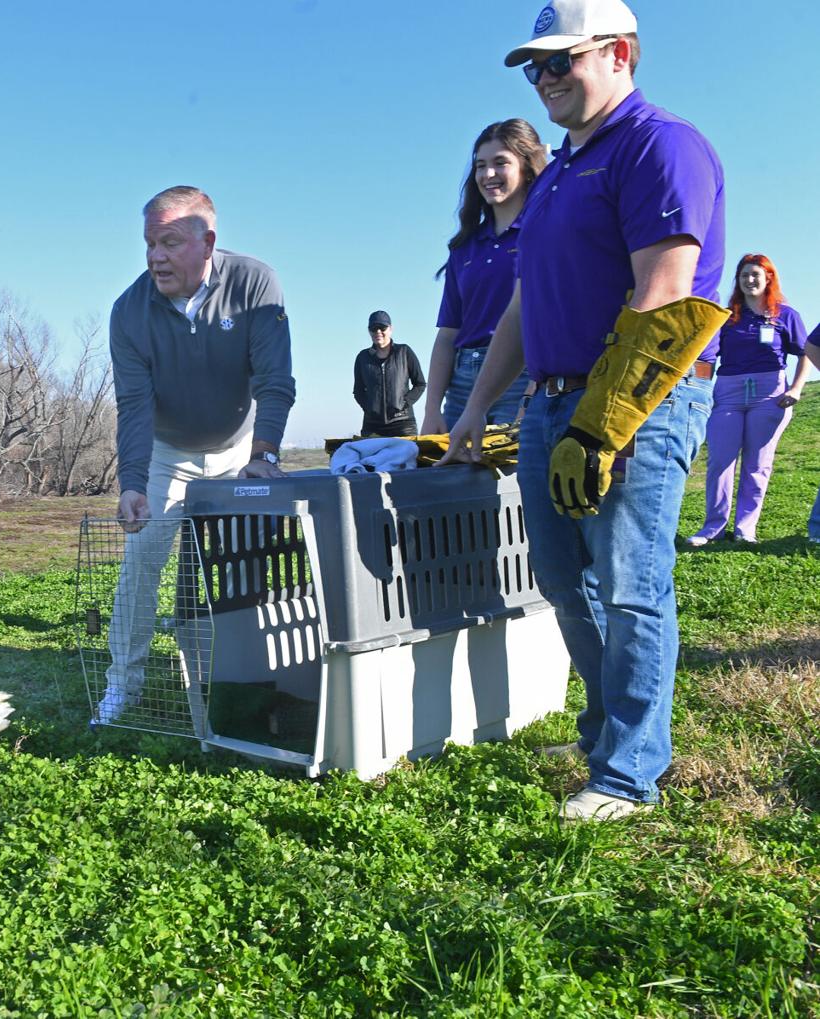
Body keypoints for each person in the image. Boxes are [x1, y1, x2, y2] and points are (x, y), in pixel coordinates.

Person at [440, 0, 726, 821]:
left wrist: (602, 427)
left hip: (638, 400)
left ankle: (630, 771)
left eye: (560, 61)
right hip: (549, 398)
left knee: (633, 583)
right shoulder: (560, 170)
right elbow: (528, 304)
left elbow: (665, 290)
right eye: (535, 67)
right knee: (567, 580)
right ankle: (606, 730)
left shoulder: (659, 143)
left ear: (620, 53)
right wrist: (480, 404)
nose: (544, 79)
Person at [99, 185, 296, 724]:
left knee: (230, 571)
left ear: (207, 242)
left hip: (239, 451)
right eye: (148, 244)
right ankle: (123, 687)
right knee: (141, 567)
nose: (155, 256)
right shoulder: (129, 312)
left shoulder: (256, 283)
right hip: (168, 453)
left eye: (168, 242)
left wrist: (265, 454)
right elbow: (134, 406)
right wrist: (133, 484)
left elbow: (275, 380)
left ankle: (227, 675)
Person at [420, 119, 547, 434]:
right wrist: (432, 409)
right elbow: (448, 334)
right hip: (462, 383)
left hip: (522, 377)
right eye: (480, 166)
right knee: (450, 479)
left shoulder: (545, 232)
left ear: (527, 168)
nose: (488, 174)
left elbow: (550, 320)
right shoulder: (464, 247)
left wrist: (532, 393)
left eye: (500, 163)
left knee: (512, 480)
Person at [687, 255, 809, 546]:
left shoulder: (785, 314)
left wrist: (796, 388)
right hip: (728, 393)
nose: (749, 280)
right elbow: (704, 354)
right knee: (720, 461)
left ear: (768, 278)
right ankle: (712, 529)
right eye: (744, 275)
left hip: (769, 395)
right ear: (738, 281)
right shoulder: (726, 316)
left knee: (757, 465)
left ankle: (745, 529)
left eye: (755, 274)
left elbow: (804, 353)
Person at [352, 311, 425, 437]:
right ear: (369, 331)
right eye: (374, 329)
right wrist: (369, 408)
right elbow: (358, 390)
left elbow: (420, 384)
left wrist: (404, 403)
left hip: (403, 423)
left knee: (407, 456)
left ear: (390, 329)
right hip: (372, 425)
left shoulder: (404, 352)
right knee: (369, 456)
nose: (378, 332)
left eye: (382, 328)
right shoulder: (362, 357)